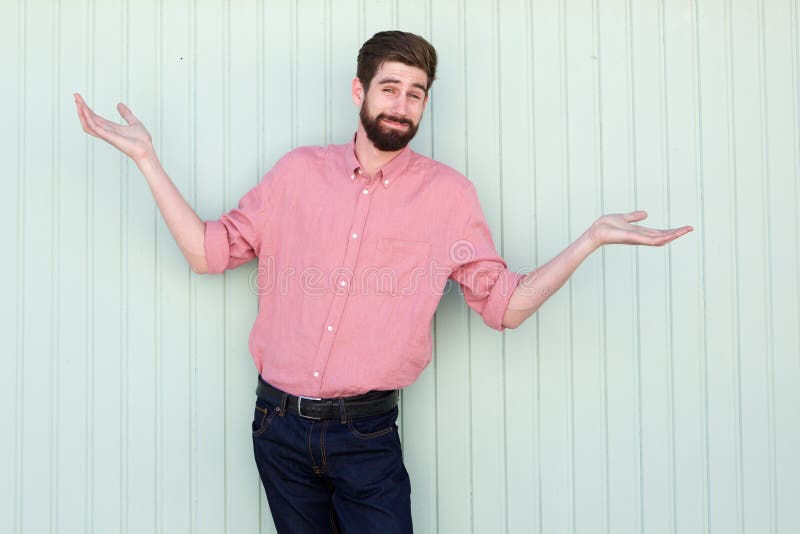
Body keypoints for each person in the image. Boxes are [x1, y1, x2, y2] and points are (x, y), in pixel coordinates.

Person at [75, 30, 692, 534]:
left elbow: (504, 307)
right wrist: (146, 161)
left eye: (416, 94)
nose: (401, 104)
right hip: (277, 428)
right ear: (359, 91)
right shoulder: (296, 175)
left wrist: (589, 241)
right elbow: (211, 252)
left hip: (365, 436)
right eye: (390, 88)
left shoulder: (450, 196)